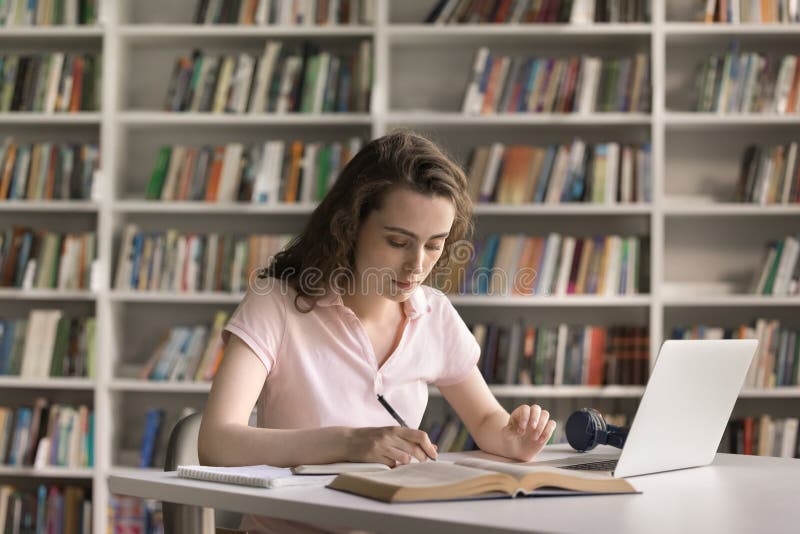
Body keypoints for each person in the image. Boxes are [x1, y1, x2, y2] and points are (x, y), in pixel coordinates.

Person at [198, 130, 557, 533]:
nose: (416, 265)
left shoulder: (434, 313)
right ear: (349, 227)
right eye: (397, 241)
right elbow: (216, 443)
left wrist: (514, 439)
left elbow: (488, 419)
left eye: (435, 245)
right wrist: (350, 443)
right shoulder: (277, 303)